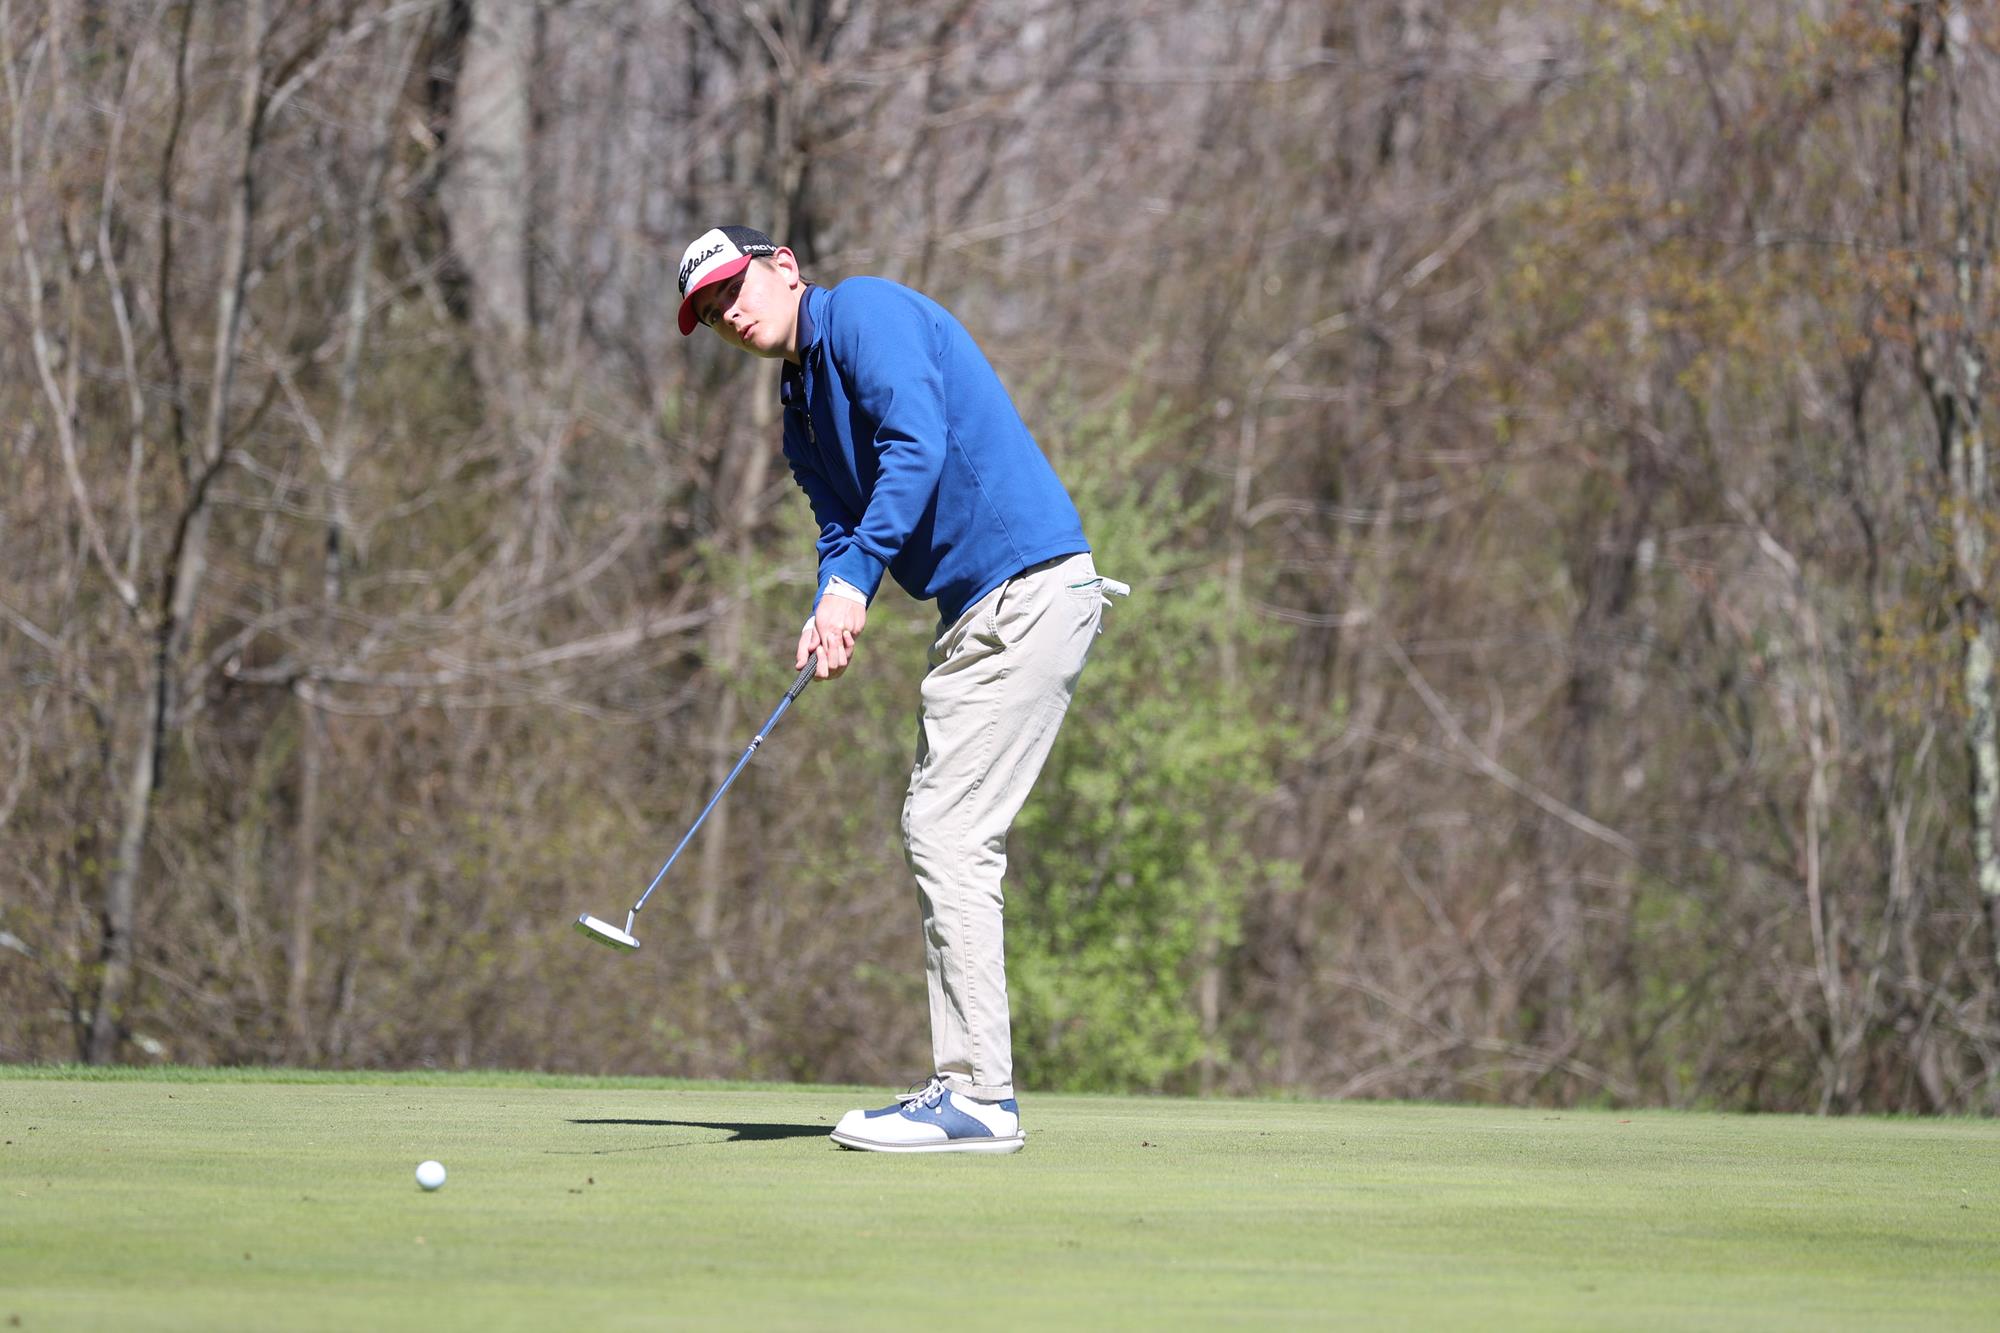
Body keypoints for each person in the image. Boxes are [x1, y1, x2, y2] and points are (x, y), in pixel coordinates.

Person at [675, 225, 1124, 1153]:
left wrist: (857, 584)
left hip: (1025, 587)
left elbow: (915, 443)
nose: (731, 314)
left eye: (736, 289)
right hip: (984, 607)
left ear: (785, 267)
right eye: (712, 312)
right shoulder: (799, 408)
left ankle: (977, 1096)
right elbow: (839, 528)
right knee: (944, 826)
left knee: (948, 829)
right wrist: (828, 602)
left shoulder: (866, 313)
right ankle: (972, 1090)